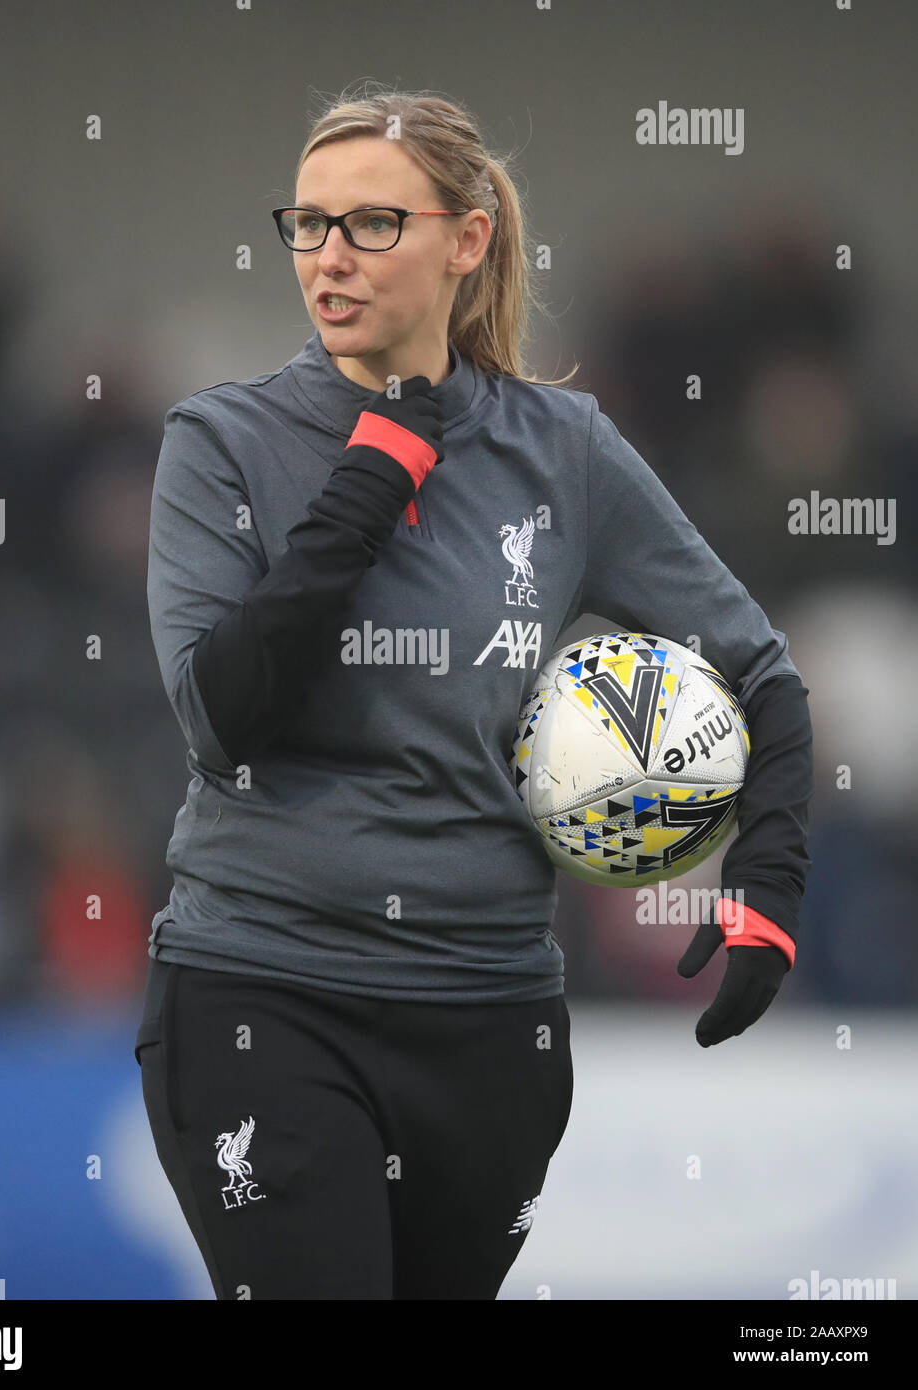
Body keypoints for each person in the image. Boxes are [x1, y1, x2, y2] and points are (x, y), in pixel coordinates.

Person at [135, 84, 813, 1300]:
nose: (328, 257)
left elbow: (758, 670)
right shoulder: (222, 440)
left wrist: (769, 881)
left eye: (372, 225)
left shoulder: (566, 449)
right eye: (308, 224)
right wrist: (370, 479)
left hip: (492, 1019)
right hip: (263, 996)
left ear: (467, 241)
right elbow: (222, 714)